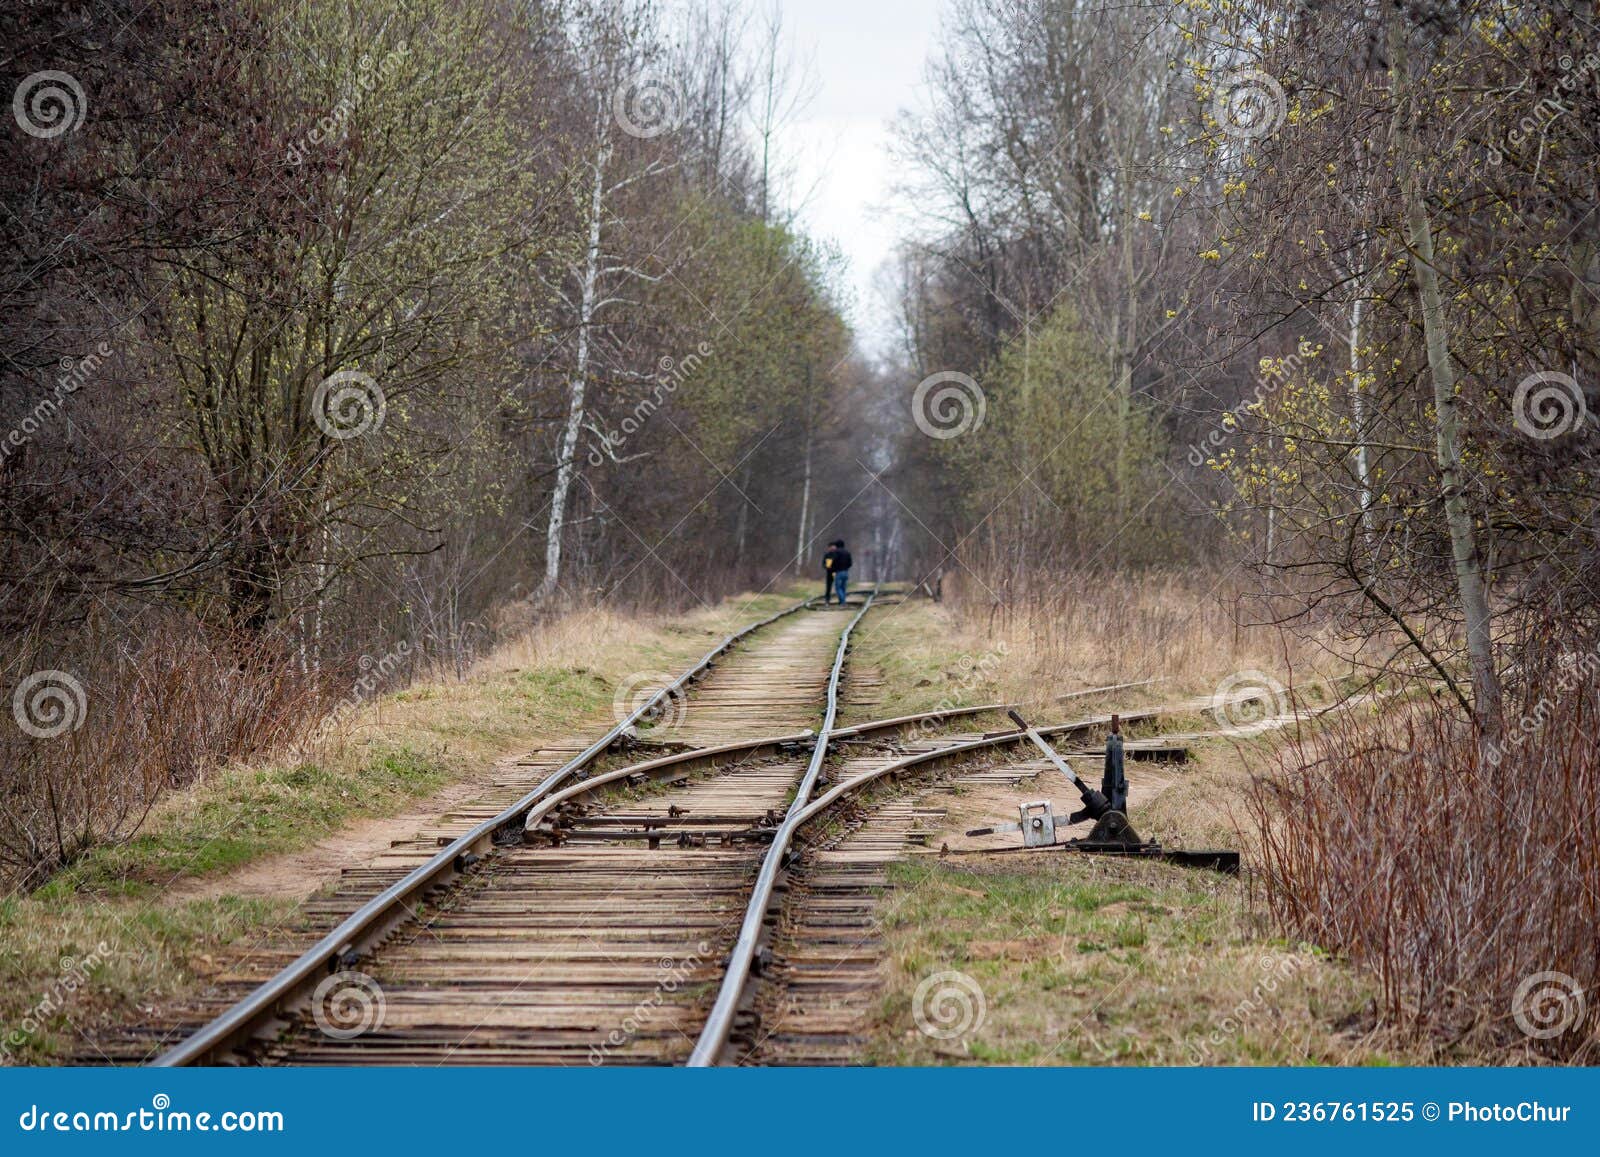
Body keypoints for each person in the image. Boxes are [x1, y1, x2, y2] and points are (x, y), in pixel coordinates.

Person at [822, 539, 852, 606]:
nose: (833, 548)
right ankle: (828, 600)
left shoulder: (837, 553)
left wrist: (835, 567)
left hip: (838, 572)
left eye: (834, 546)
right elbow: (825, 564)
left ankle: (842, 601)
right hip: (831, 572)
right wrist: (828, 567)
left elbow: (835, 562)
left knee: (839, 587)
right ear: (829, 548)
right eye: (831, 547)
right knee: (831, 587)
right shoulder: (827, 555)